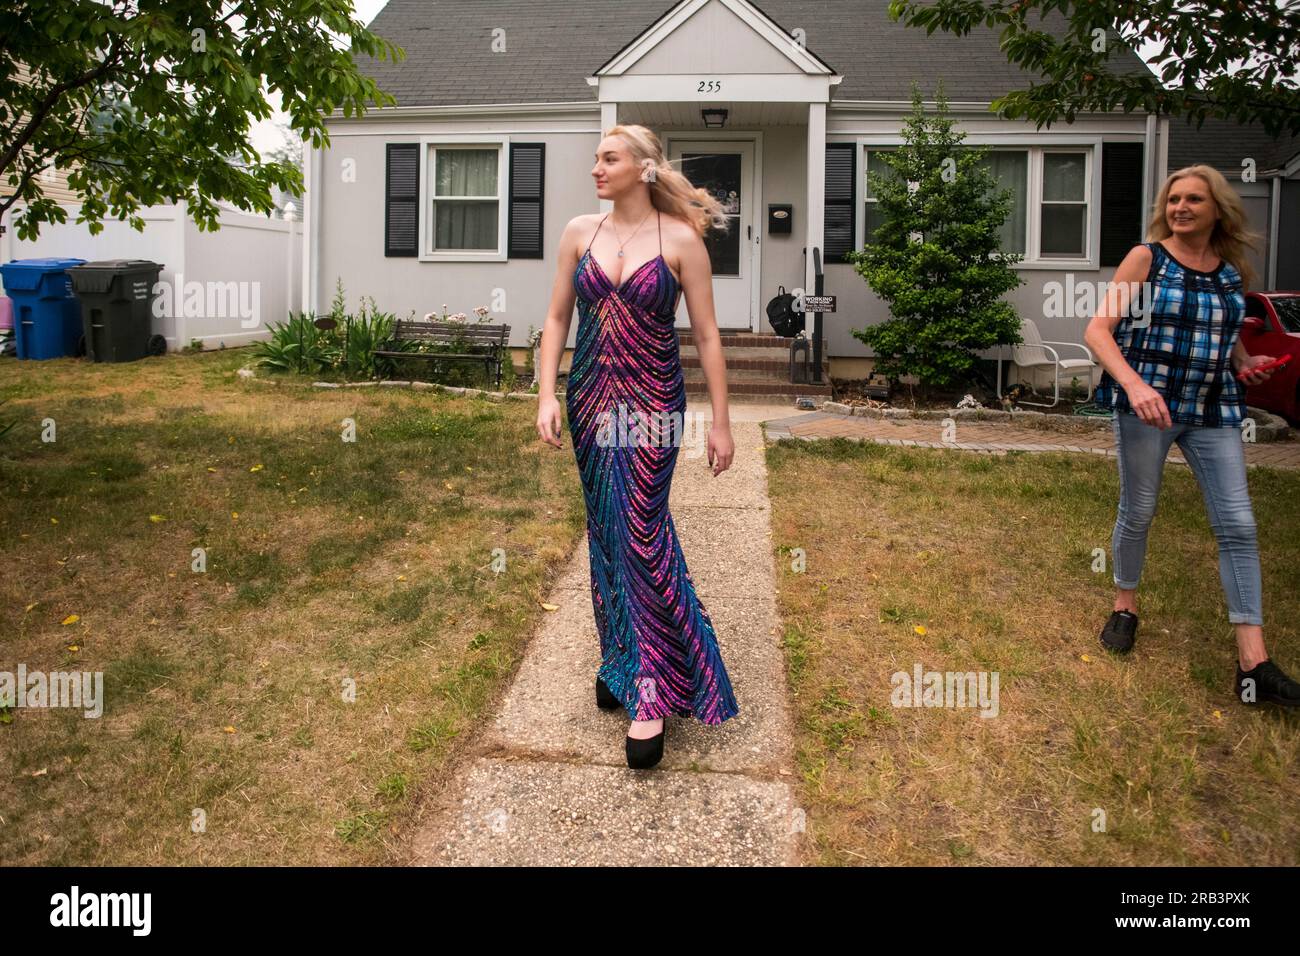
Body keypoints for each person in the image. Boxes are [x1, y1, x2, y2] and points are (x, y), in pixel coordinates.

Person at [535, 124, 741, 768]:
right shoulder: (579, 233)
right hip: (592, 398)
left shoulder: (680, 241)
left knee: (641, 532)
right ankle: (620, 660)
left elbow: (707, 336)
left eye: (609, 158)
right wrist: (545, 394)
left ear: (644, 168)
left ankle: (651, 695)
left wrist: (722, 421)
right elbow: (556, 318)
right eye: (596, 157)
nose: (595, 167)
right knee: (605, 530)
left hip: (653, 406)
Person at [1085, 163, 1300, 707]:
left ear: (1217, 209)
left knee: (1238, 523)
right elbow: (1097, 330)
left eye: (1193, 200)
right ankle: (1125, 607)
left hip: (1213, 408)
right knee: (1139, 509)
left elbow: (1226, 340)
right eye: (1174, 198)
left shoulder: (1230, 271)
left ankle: (1253, 664)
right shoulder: (1147, 258)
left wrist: (1247, 365)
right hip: (1149, 407)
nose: (1180, 207)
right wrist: (1134, 386)